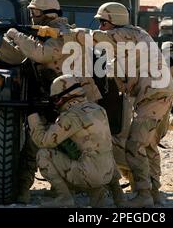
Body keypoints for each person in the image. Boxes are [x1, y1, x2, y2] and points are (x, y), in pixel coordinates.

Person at [0, 0, 101, 203]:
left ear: (46, 13)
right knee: (34, 144)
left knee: (81, 149)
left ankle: (91, 192)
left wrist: (17, 35)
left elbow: (41, 55)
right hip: (55, 99)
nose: (31, 16)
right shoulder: (42, 33)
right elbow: (19, 57)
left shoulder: (63, 33)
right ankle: (25, 192)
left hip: (77, 102)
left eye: (34, 12)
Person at [56, 2, 173, 207]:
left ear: (115, 21)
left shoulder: (127, 35)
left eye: (103, 22)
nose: (101, 27)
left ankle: (144, 195)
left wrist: (62, 32)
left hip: (155, 96)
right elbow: (116, 73)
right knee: (147, 145)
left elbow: (93, 37)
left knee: (135, 144)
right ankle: (153, 192)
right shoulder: (122, 44)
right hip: (155, 96)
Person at [27, 74, 122, 207]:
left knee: (44, 154)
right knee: (99, 148)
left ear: (63, 97)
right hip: (107, 174)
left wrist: (32, 115)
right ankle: (116, 197)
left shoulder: (71, 116)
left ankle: (64, 197)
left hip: (88, 176)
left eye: (56, 99)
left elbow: (43, 141)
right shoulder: (99, 109)